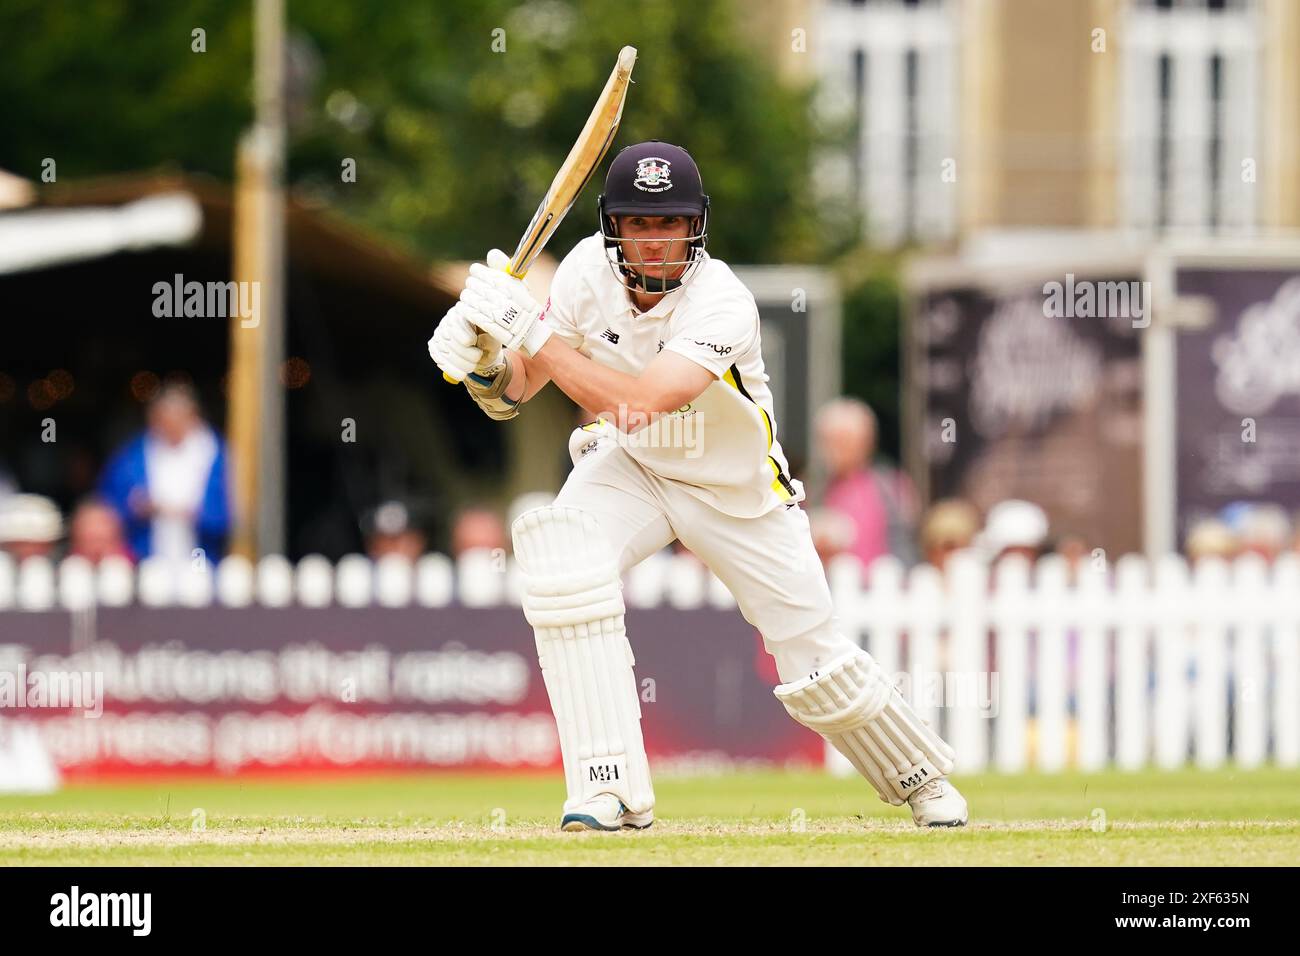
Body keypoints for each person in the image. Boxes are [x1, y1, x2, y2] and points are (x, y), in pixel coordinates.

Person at [428, 141, 966, 831]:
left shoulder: (723, 302)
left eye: (671, 223)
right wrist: (485, 364)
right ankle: (608, 789)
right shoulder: (585, 274)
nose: (655, 240)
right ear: (613, 226)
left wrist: (529, 331)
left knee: (811, 656)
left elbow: (640, 404)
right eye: (639, 223)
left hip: (735, 489)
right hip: (636, 467)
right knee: (564, 562)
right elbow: (519, 391)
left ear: (696, 226)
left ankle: (920, 777)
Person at [97, 383, 231, 564]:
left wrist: (193, 513)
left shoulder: (213, 453)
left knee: (198, 578)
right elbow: (108, 505)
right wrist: (135, 507)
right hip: (148, 554)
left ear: (192, 417)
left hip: (199, 554)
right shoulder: (133, 455)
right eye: (164, 419)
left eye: (177, 418)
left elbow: (227, 515)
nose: (169, 426)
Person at [815, 398, 919, 568]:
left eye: (842, 440)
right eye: (827, 440)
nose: (833, 449)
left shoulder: (891, 486)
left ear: (865, 442)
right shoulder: (813, 488)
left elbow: (906, 542)